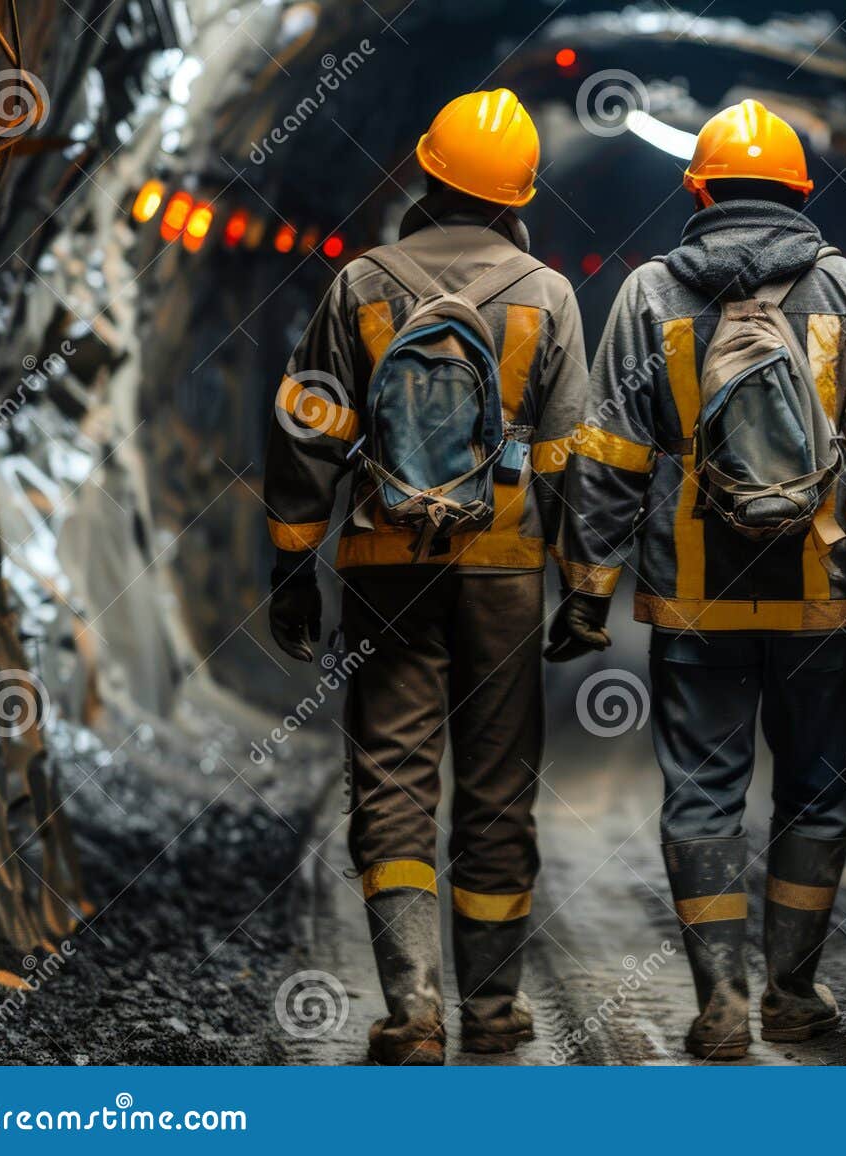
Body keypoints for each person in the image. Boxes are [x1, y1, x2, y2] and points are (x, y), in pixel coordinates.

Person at [549, 99, 846, 1060]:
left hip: (694, 597)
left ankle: (721, 1002)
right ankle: (794, 990)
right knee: (818, 790)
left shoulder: (652, 294)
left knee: (702, 793)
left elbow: (608, 454)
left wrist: (586, 587)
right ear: (800, 191)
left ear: (696, 190)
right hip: (822, 588)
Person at [262, 88, 587, 1065]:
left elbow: (308, 429)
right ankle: (491, 1011)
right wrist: (582, 583)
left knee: (391, 779)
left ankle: (411, 1009)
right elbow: (571, 457)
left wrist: (291, 568)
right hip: (502, 563)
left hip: (380, 556)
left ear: (426, 175)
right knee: (496, 786)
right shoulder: (548, 293)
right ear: (518, 196)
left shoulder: (359, 283)